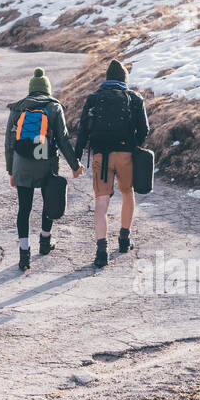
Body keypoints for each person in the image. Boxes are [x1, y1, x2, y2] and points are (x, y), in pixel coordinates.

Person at [75, 58, 150, 268]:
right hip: (125, 155)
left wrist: (76, 158)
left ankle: (101, 251)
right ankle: (125, 240)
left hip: (101, 156)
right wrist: (133, 145)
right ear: (124, 79)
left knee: (101, 202)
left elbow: (82, 130)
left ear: (107, 78)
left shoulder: (94, 98)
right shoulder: (134, 98)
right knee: (128, 194)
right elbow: (144, 130)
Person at [5, 67, 82, 272]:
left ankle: (24, 254)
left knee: (24, 209)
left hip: (22, 165)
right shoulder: (54, 108)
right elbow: (63, 140)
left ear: (31, 89)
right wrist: (75, 166)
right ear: (47, 90)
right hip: (46, 163)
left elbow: (9, 143)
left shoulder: (18, 108)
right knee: (50, 203)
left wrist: (11, 171)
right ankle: (45, 242)